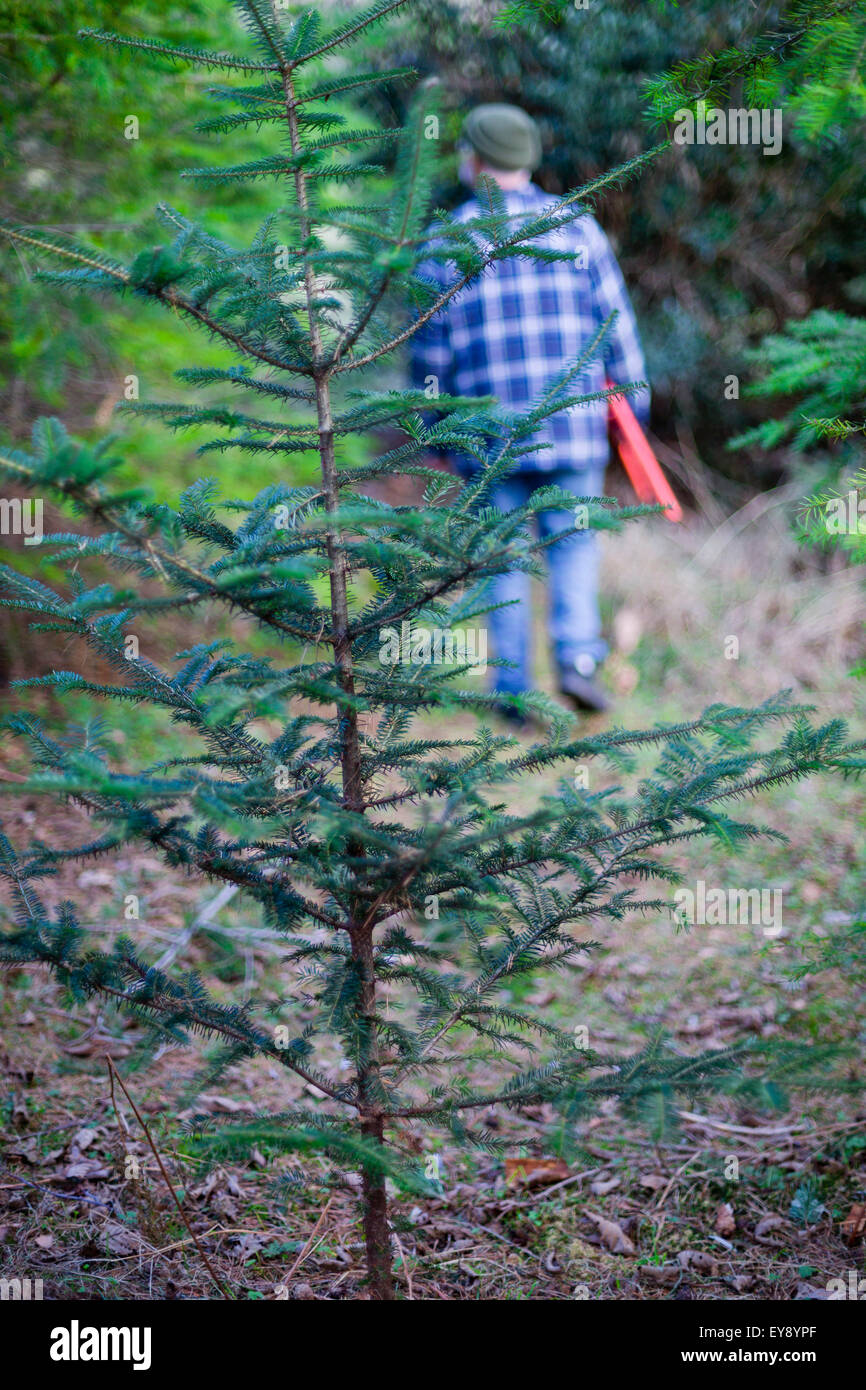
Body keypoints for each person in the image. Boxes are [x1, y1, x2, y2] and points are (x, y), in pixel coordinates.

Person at [410, 102, 650, 715]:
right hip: (574, 428)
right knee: (573, 546)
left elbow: (429, 353)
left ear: (475, 160)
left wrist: (436, 432)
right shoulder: (576, 227)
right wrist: (633, 415)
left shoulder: (448, 241)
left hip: (491, 441)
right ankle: (577, 661)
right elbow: (617, 331)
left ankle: (512, 692)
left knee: (502, 558)